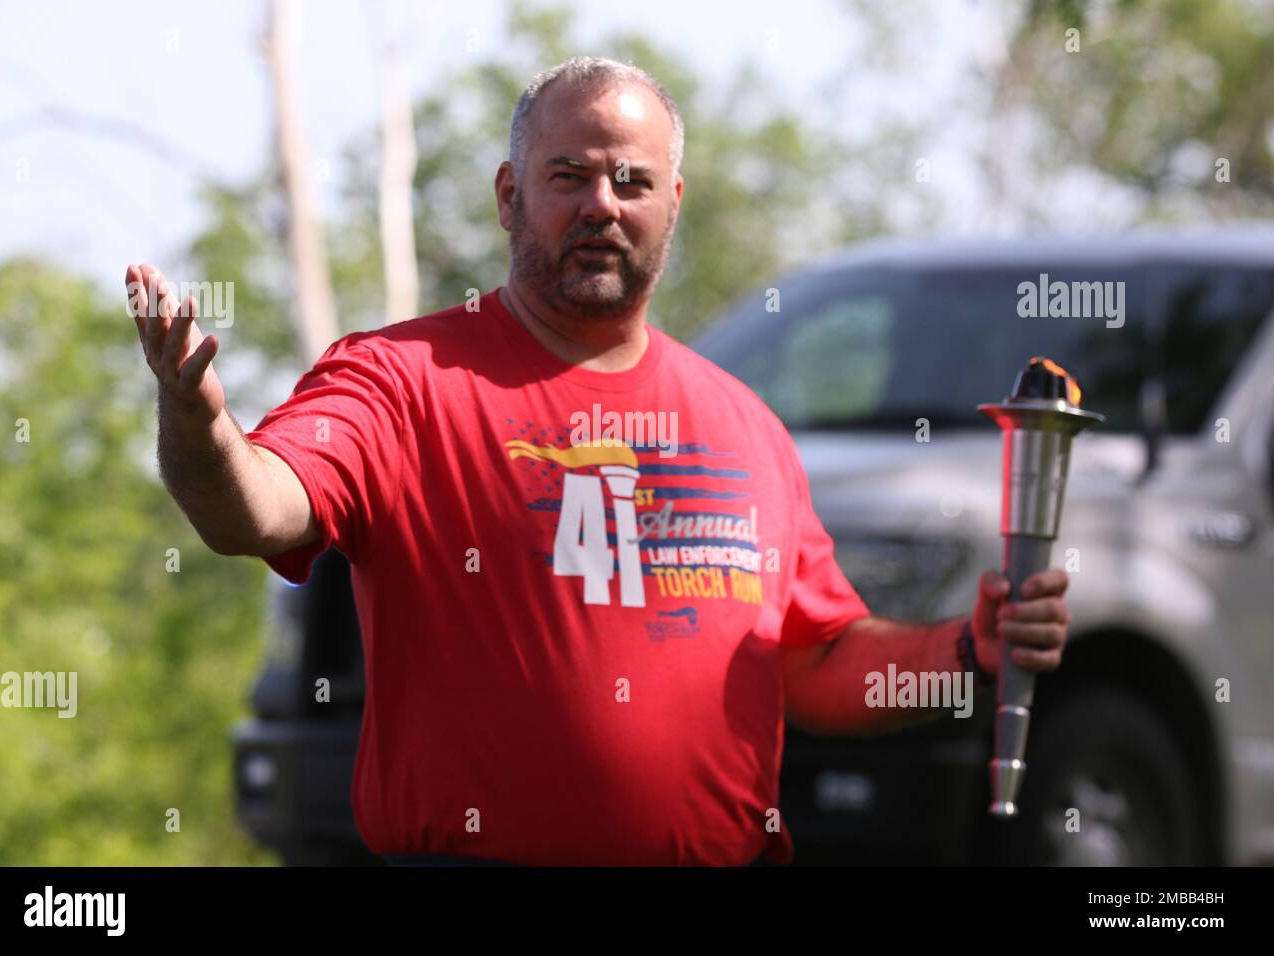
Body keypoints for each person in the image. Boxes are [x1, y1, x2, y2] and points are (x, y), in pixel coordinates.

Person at [123, 56, 1071, 867]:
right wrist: (199, 418)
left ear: (673, 203)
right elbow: (254, 510)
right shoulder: (401, 380)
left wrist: (964, 651)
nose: (602, 207)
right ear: (509, 194)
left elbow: (815, 665)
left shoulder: (745, 425)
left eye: (632, 182)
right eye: (568, 175)